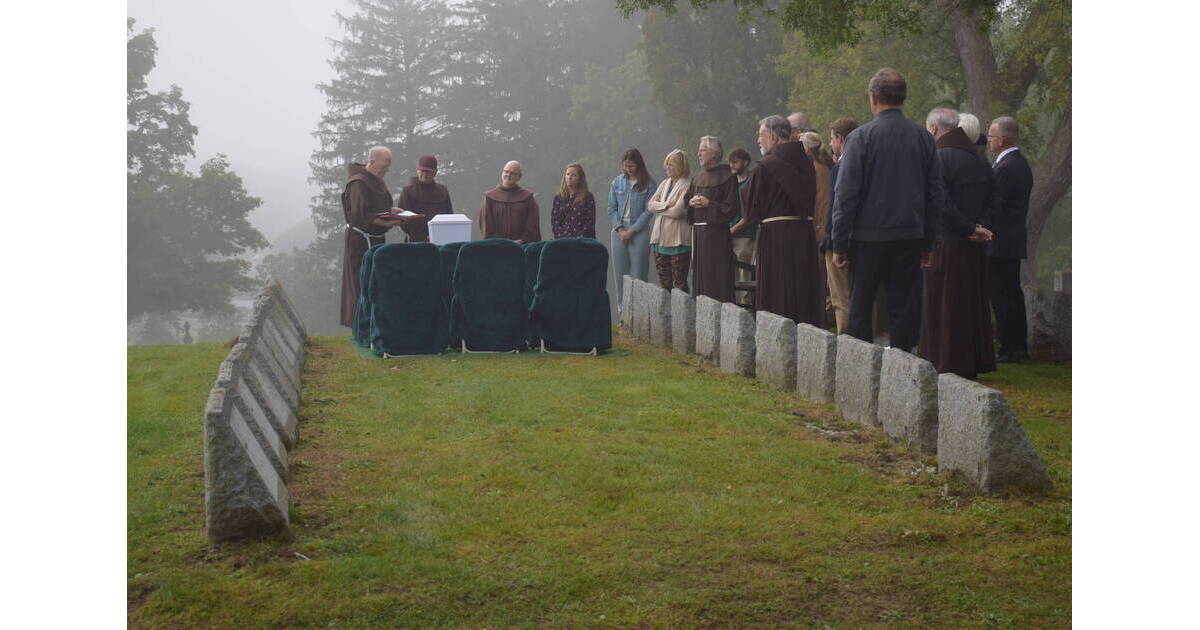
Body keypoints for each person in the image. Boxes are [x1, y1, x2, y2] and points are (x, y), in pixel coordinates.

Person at [830, 68, 941, 351]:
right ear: (903, 98)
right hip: (910, 235)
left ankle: (860, 364)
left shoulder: (860, 138)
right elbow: (933, 195)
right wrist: (928, 241)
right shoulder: (924, 138)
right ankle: (903, 367)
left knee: (862, 305)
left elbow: (846, 195)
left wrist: (839, 243)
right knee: (905, 306)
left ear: (873, 98)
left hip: (868, 237)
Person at [919, 107, 997, 378]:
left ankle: (945, 359)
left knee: (946, 304)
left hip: (947, 242)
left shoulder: (939, 157)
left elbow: (939, 201)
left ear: (933, 129)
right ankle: (973, 359)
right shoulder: (978, 160)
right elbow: (992, 200)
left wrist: (967, 228)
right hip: (974, 244)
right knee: (970, 302)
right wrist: (979, 228)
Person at [742, 115, 823, 324]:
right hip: (803, 235)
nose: (758, 141)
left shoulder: (765, 166)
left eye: (761, 135)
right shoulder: (808, 163)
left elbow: (751, 210)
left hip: (776, 237)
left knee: (778, 287)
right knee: (801, 288)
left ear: (773, 136)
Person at [986, 115, 1033, 363]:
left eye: (992, 136)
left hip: (1002, 242)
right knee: (1011, 295)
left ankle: (1010, 348)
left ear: (1001, 139)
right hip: (1011, 240)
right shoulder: (1018, 163)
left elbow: (997, 205)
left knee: (1003, 296)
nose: (989, 141)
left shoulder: (1006, 167)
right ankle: (1017, 346)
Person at [686, 136, 740, 303]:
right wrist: (691, 202)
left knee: (716, 277)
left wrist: (709, 204)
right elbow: (686, 202)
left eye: (702, 150)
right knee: (700, 277)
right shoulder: (696, 178)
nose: (698, 153)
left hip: (717, 236)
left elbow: (731, 208)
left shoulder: (728, 177)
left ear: (714, 154)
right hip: (699, 234)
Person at [608, 149, 657, 310]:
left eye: (631, 166)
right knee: (620, 274)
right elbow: (611, 209)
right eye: (625, 166)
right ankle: (622, 311)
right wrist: (621, 229)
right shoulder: (617, 182)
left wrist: (632, 230)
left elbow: (649, 210)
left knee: (639, 273)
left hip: (639, 231)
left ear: (638, 165)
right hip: (618, 231)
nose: (628, 169)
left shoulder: (649, 184)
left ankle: (641, 312)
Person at [647, 149, 693, 292]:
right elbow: (650, 205)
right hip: (659, 240)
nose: (667, 168)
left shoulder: (687, 184)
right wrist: (666, 205)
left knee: (679, 283)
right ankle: (666, 313)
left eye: (671, 165)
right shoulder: (665, 183)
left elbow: (678, 212)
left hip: (678, 241)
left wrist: (659, 207)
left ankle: (684, 313)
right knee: (664, 284)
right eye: (667, 165)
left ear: (680, 166)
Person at [802, 131, 835, 324]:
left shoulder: (813, 168)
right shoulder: (826, 165)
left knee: (819, 275)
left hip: (817, 226)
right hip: (825, 224)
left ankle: (819, 317)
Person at [478, 160, 541, 243]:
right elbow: (486, 226)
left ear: (519, 176)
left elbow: (532, 226)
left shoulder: (527, 198)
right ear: (502, 173)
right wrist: (501, 242)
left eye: (513, 173)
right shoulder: (490, 198)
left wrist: (522, 240)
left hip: (522, 247)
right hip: (496, 247)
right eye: (506, 171)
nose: (508, 175)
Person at [725, 148, 757, 303]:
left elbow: (751, 214)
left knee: (745, 274)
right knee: (731, 274)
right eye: (730, 162)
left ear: (745, 162)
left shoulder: (751, 182)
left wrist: (734, 229)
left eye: (735, 162)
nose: (732, 165)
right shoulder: (730, 182)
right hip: (728, 234)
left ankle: (747, 308)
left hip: (746, 235)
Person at [396, 154, 452, 243]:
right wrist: (423, 237)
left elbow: (449, 216)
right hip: (415, 242)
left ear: (435, 172)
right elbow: (404, 220)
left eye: (428, 171)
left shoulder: (443, 191)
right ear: (417, 170)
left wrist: (439, 235)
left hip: (441, 239)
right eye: (422, 171)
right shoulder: (407, 191)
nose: (425, 174)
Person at [550, 163, 596, 239]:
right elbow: (555, 222)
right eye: (568, 174)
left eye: (574, 175)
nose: (570, 177)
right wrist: (562, 238)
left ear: (580, 179)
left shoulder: (587, 197)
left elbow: (589, 222)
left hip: (582, 242)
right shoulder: (558, 198)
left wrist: (577, 239)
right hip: (562, 241)